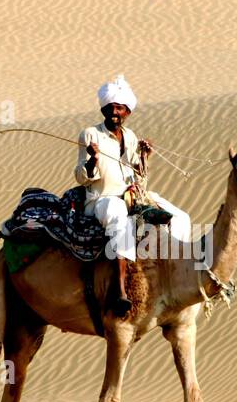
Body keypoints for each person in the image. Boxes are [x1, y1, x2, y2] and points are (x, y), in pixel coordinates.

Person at [75, 75, 191, 315]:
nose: (114, 112)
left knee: (180, 217)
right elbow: (81, 177)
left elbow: (138, 178)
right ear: (104, 108)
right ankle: (121, 291)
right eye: (110, 107)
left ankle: (176, 275)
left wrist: (144, 158)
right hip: (101, 199)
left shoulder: (130, 137)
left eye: (119, 108)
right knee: (119, 217)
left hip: (132, 196)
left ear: (127, 111)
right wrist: (92, 160)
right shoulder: (90, 135)